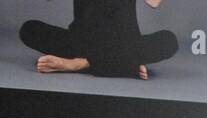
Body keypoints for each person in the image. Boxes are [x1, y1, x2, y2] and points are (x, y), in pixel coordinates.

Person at [20, 0, 179, 81]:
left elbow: (154, 2)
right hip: (81, 42)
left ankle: (78, 64)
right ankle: (122, 64)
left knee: (169, 41)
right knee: (29, 29)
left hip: (123, 42)